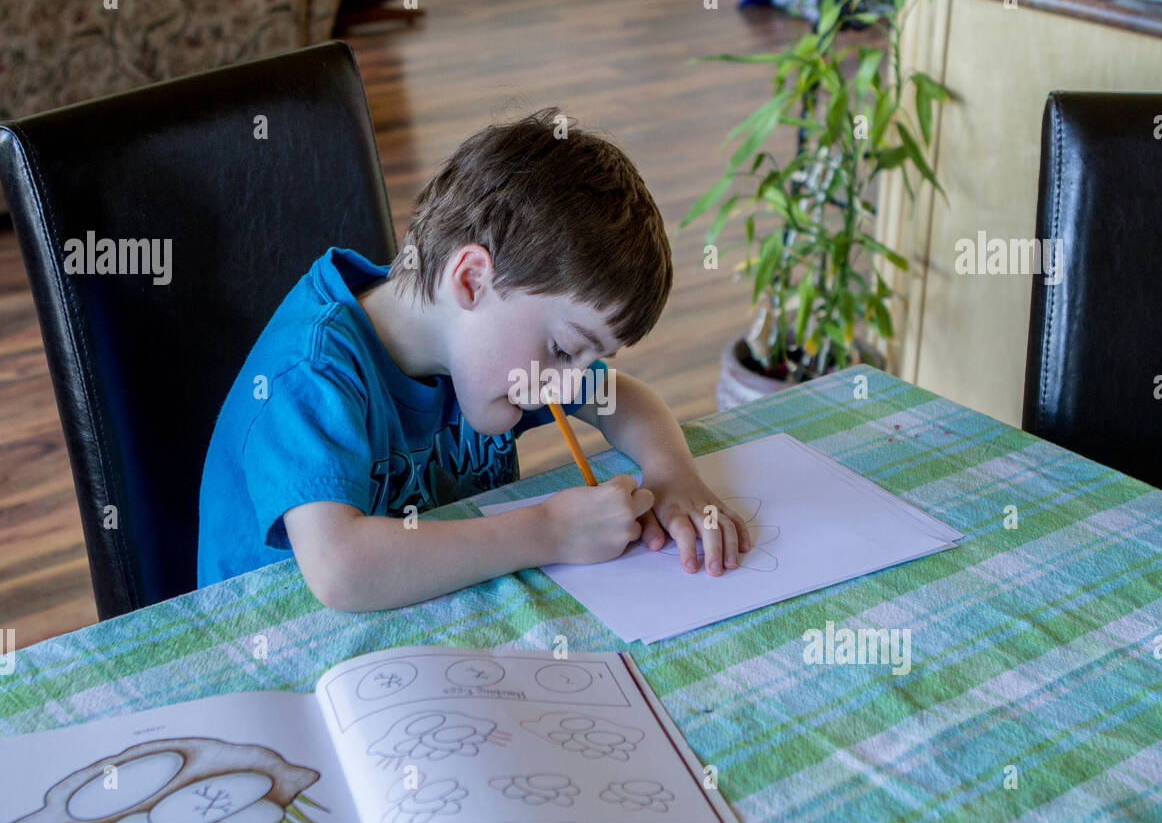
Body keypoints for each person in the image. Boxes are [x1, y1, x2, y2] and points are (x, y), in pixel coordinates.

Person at [197, 106, 751, 610]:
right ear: (470, 279)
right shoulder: (311, 372)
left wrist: (671, 472)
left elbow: (627, 398)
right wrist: (549, 532)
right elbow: (342, 570)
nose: (568, 383)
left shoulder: (485, 352)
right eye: (562, 350)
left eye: (586, 360)